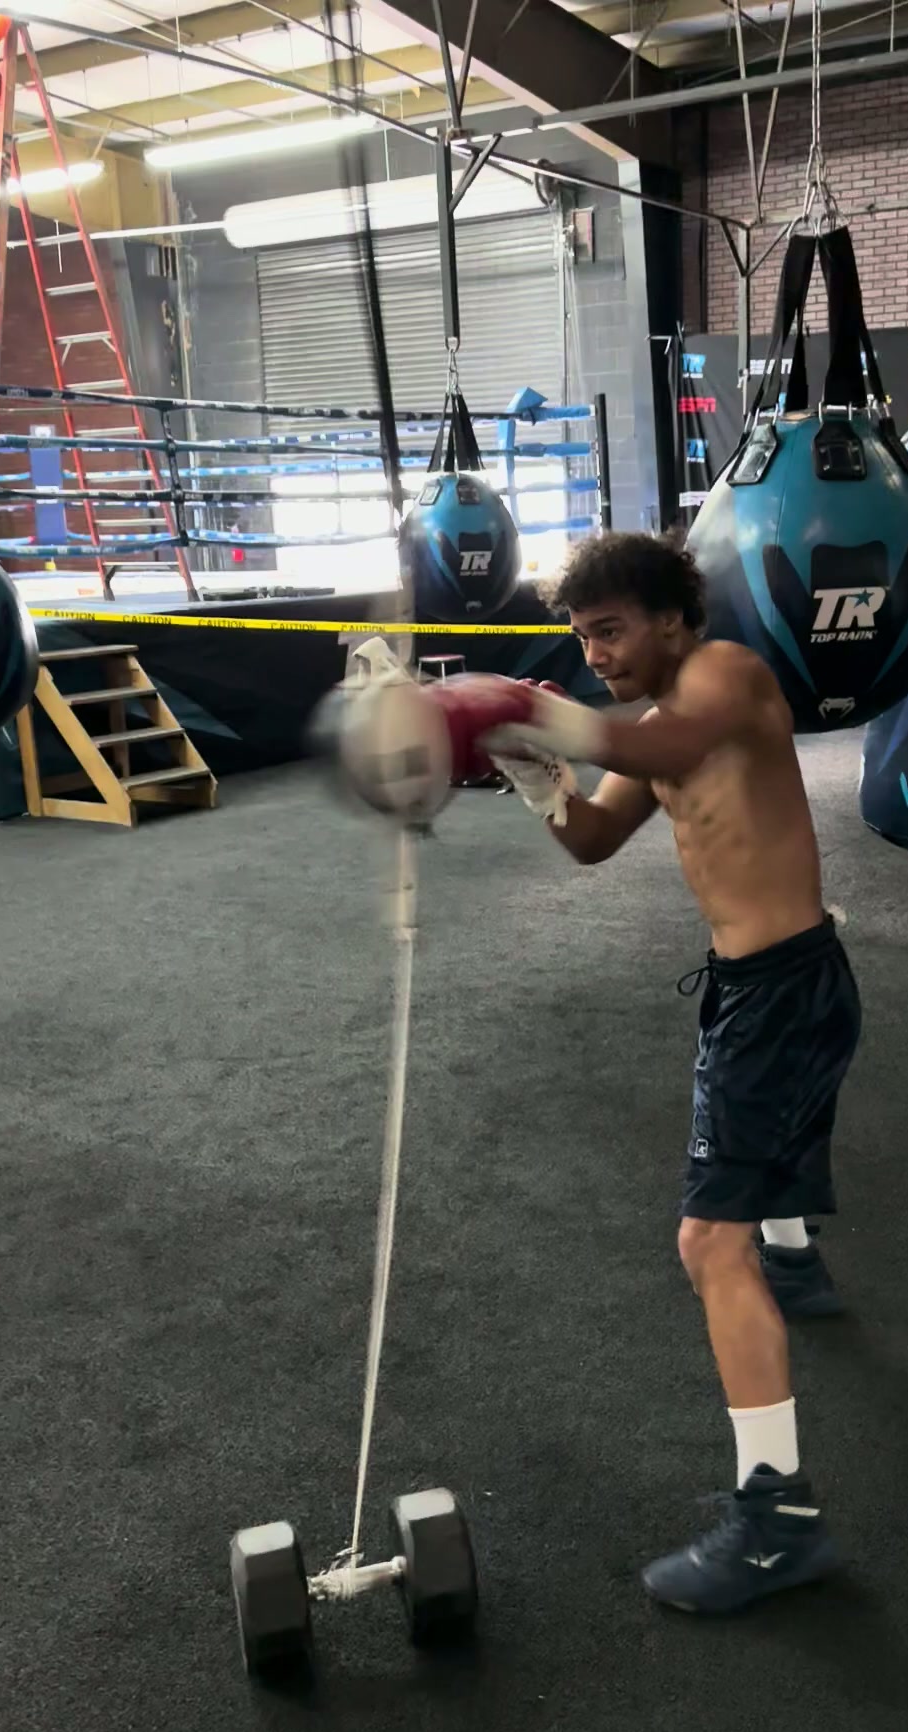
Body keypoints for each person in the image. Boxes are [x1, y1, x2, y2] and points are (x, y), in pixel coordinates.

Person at [342, 533, 861, 1614]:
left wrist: (510, 706)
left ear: (673, 617)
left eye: (612, 629)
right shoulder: (654, 732)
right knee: (765, 1164)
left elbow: (662, 743)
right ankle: (797, 1264)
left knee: (706, 1243)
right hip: (767, 990)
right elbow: (593, 839)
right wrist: (540, 783)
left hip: (781, 993)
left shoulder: (723, 676)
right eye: (581, 637)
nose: (599, 652)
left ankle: (778, 1521)